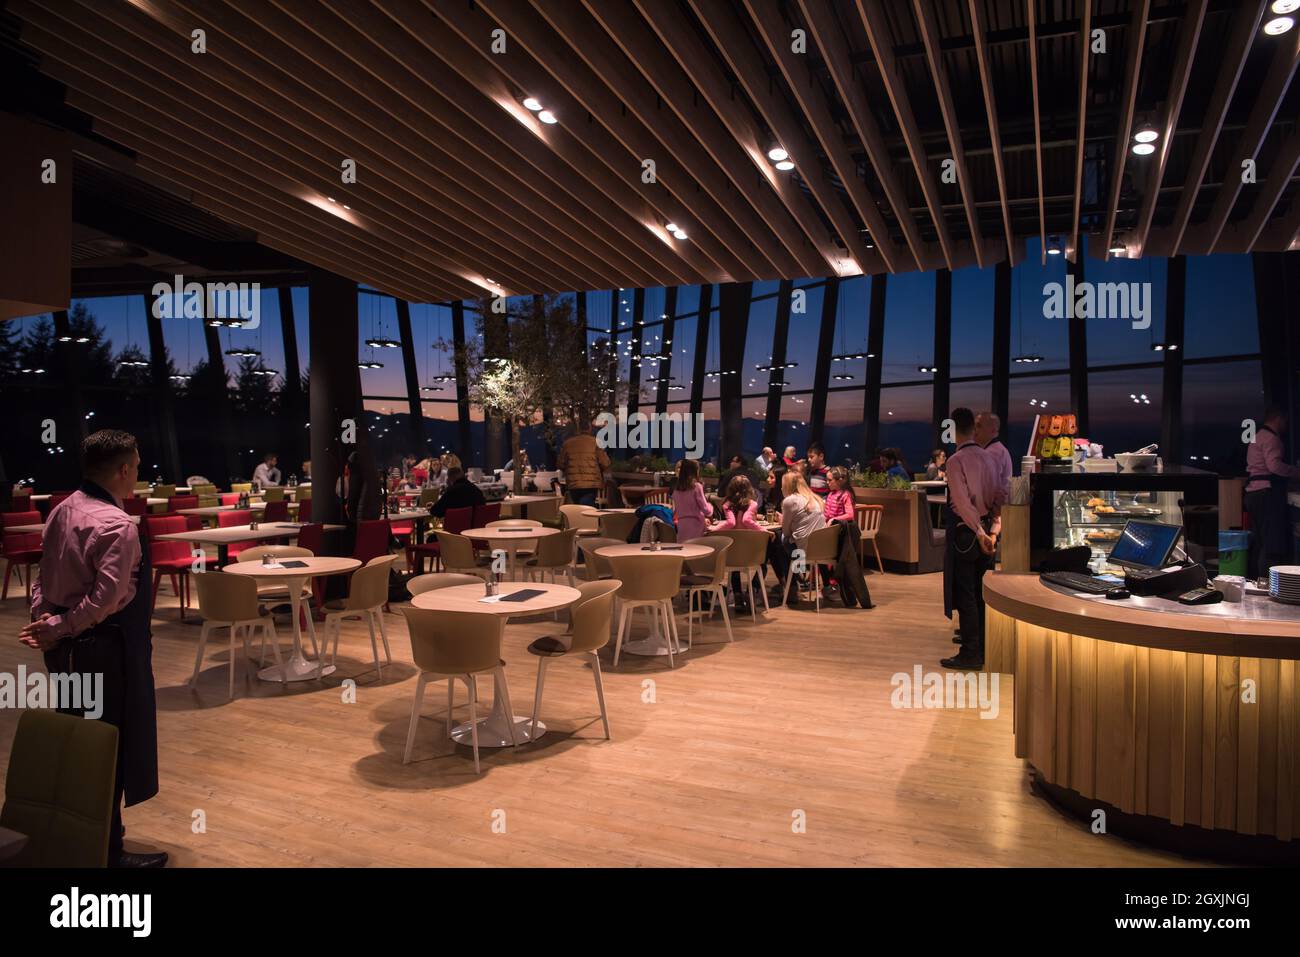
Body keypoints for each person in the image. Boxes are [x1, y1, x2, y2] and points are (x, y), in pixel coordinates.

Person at [20, 430, 165, 868]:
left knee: (78, 742)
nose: (137, 475)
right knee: (108, 747)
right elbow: (106, 599)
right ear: (123, 470)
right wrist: (61, 626)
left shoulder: (61, 510)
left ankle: (79, 839)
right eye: (136, 468)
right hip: (103, 652)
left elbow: (44, 577)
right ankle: (108, 852)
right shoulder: (118, 526)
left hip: (63, 651)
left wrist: (47, 621)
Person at [941, 408, 1006, 671]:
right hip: (986, 532)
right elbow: (1000, 495)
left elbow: (961, 503)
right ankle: (984, 648)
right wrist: (992, 531)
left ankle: (970, 652)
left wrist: (979, 533)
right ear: (972, 428)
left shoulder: (956, 461)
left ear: (953, 429)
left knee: (965, 594)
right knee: (980, 594)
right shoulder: (989, 457)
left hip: (968, 534)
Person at [1245, 407, 1300, 578]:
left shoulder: (1257, 436)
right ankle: (1268, 584)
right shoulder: (1271, 438)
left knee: (1260, 542)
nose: (1286, 425)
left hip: (1252, 494)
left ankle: (1256, 580)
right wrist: (1295, 472)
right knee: (1271, 544)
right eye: (1285, 420)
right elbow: (1274, 466)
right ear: (1278, 418)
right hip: (1265, 494)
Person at [709, 474, 770, 614]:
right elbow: (748, 521)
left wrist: (714, 529)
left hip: (733, 552)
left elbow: (731, 523)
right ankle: (751, 591)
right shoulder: (752, 504)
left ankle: (737, 595)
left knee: (734, 568)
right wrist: (764, 530)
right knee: (763, 563)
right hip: (748, 551)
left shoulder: (727, 505)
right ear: (749, 489)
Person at [767, 470, 827, 607]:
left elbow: (787, 532)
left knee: (778, 542)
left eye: (783, 484)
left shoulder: (790, 501)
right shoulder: (816, 499)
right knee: (783, 544)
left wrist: (782, 520)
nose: (781, 488)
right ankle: (798, 579)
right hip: (822, 549)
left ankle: (791, 587)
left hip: (802, 551)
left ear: (788, 485)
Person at [558, 421, 611, 507]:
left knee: (577, 508)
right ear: (590, 429)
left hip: (573, 483)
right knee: (587, 509)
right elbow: (605, 463)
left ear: (578, 430)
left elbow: (560, 464)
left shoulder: (567, 443)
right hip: (591, 484)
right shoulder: (596, 442)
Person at [672, 458, 712, 542]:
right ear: (694, 471)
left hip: (682, 525)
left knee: (685, 551)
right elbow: (707, 511)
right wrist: (710, 506)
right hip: (696, 525)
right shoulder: (696, 486)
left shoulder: (676, 489)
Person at [976, 413, 1013, 500]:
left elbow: (988, 490)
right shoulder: (996, 450)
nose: (974, 430)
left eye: (978, 425)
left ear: (993, 430)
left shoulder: (992, 453)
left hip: (993, 510)